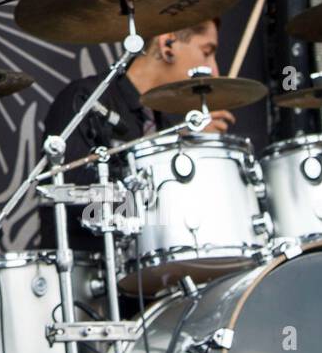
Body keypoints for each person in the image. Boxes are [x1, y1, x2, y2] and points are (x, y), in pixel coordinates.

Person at [37, 19, 233, 254]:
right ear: (167, 45)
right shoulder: (86, 101)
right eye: (206, 53)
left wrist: (195, 148)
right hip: (87, 277)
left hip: (151, 278)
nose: (215, 71)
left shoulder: (167, 124)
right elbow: (74, 200)